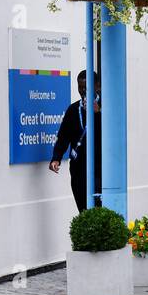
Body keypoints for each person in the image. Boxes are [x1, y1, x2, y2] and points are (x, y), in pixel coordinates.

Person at [50, 70, 103, 212]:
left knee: (98, 210)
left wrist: (98, 114)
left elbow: (113, 131)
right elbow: (63, 136)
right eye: (80, 87)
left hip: (100, 168)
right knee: (83, 210)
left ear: (97, 86)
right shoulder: (73, 109)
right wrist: (56, 158)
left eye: (86, 87)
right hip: (79, 168)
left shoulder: (108, 106)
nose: (83, 91)